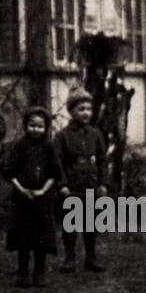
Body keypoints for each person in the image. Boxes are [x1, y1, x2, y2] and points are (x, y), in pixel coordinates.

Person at [1, 106, 62, 287]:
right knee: (23, 237)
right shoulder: (19, 146)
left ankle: (39, 272)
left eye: (40, 126)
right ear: (26, 125)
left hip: (42, 200)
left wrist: (43, 190)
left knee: (41, 238)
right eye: (32, 125)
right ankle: (22, 272)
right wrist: (21, 189)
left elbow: (55, 173)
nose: (36, 130)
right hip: (22, 200)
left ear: (46, 128)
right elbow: (9, 172)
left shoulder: (48, 147)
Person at [54, 87, 108, 273]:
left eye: (88, 109)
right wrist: (63, 184)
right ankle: (69, 258)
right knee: (71, 224)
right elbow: (57, 163)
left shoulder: (95, 134)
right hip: (72, 186)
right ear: (71, 111)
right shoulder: (63, 136)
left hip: (91, 184)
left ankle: (91, 258)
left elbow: (102, 160)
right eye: (80, 109)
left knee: (90, 224)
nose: (85, 113)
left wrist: (102, 183)